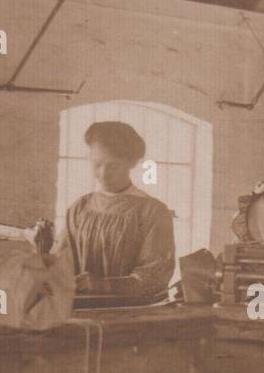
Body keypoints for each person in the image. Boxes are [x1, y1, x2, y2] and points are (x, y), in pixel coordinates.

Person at [53, 121, 175, 300]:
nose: (103, 173)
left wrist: (104, 284)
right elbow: (60, 266)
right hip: (79, 313)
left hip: (129, 315)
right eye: (97, 164)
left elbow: (155, 276)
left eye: (113, 166)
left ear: (130, 163)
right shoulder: (80, 208)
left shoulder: (152, 212)